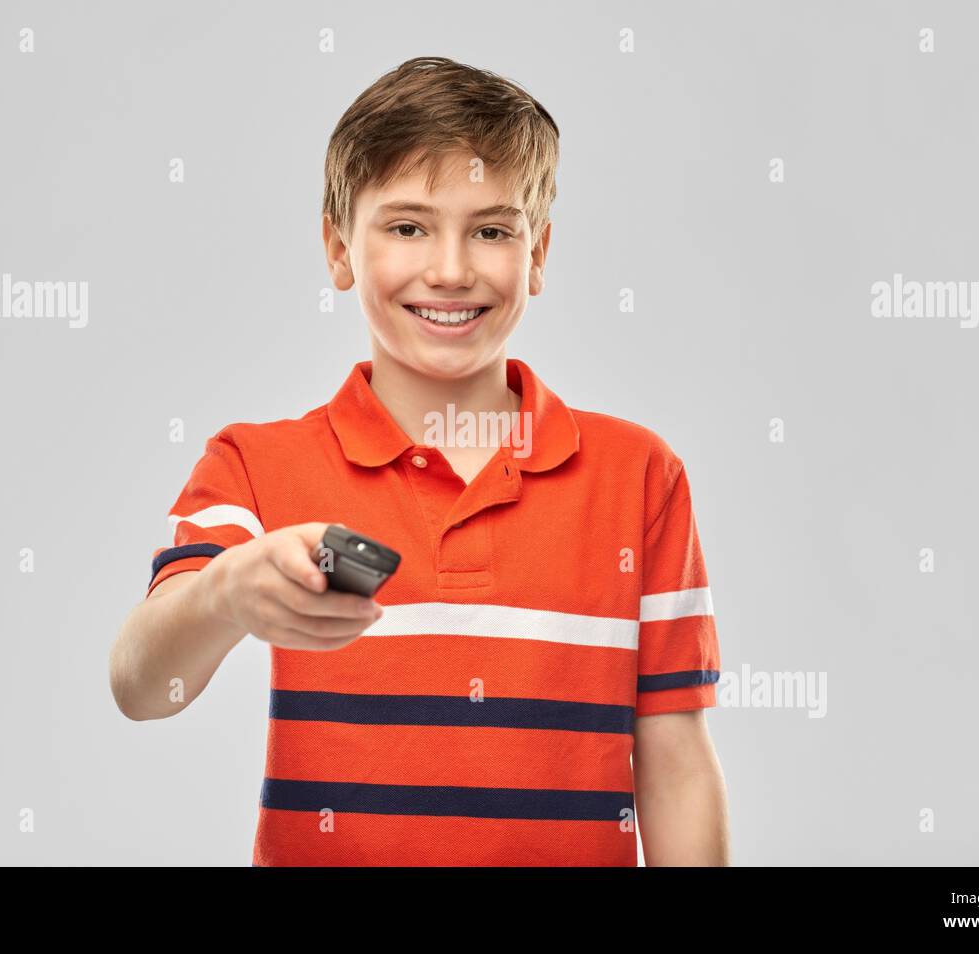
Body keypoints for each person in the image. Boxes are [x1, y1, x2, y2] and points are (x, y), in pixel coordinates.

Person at [109, 56, 728, 866]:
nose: (450, 269)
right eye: (407, 226)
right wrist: (226, 591)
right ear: (339, 249)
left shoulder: (639, 475)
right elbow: (142, 687)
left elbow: (675, 757)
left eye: (492, 230)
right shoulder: (256, 464)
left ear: (537, 255)